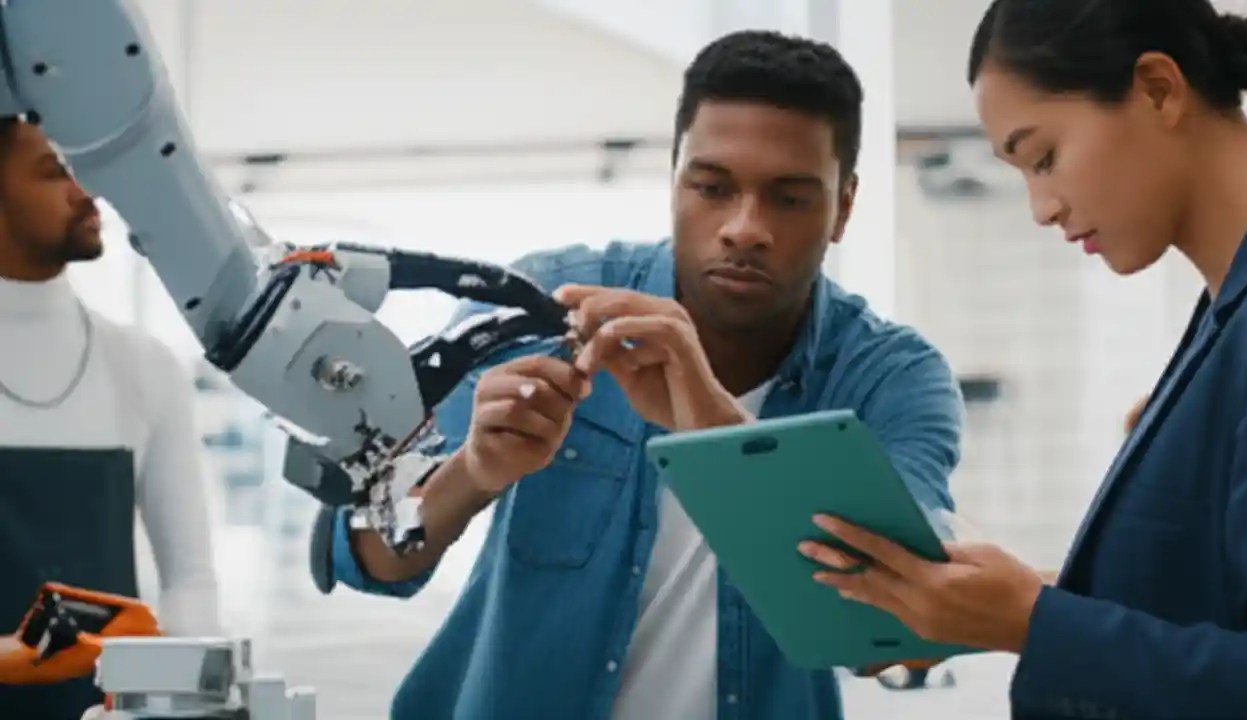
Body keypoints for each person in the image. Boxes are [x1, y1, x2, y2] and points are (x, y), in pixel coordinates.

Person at [327, 30, 965, 720]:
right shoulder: (547, 305)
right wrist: (473, 472)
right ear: (674, 181)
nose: (745, 227)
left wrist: (712, 426)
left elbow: (896, 632)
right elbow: (368, 553)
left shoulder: (892, 378)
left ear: (842, 207)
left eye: (789, 198)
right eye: (713, 187)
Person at [803, 1, 1247, 717]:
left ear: (1157, 88)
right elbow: (1202, 603)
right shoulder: (1229, 311)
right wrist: (976, 611)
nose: (1041, 208)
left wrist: (1031, 621)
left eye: (1045, 158)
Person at [0, 116, 222, 718]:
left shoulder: (144, 366)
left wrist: (190, 698)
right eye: (55, 173)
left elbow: (189, 582)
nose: (88, 189)